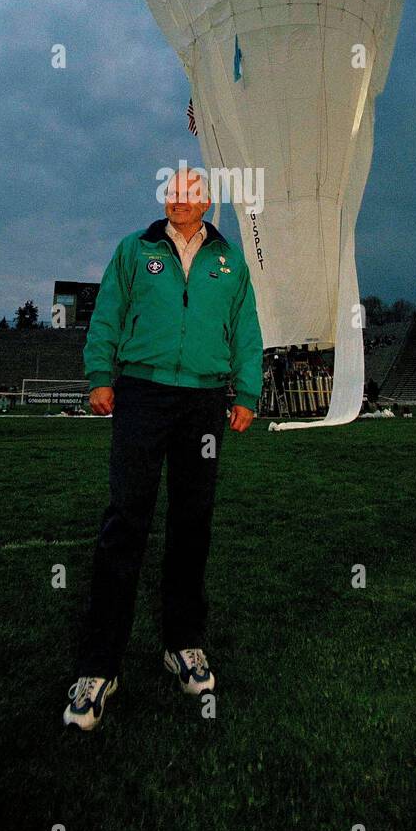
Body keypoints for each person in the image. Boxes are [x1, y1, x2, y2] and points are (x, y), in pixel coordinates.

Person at [64, 167, 264, 731]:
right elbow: (107, 314)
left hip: (203, 402)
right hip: (143, 394)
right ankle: (98, 666)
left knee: (192, 520)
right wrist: (101, 374)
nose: (179, 200)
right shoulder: (134, 250)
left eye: (190, 194)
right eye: (172, 192)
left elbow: (245, 327)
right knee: (126, 519)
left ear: (206, 203)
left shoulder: (229, 261)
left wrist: (247, 388)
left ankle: (184, 641)